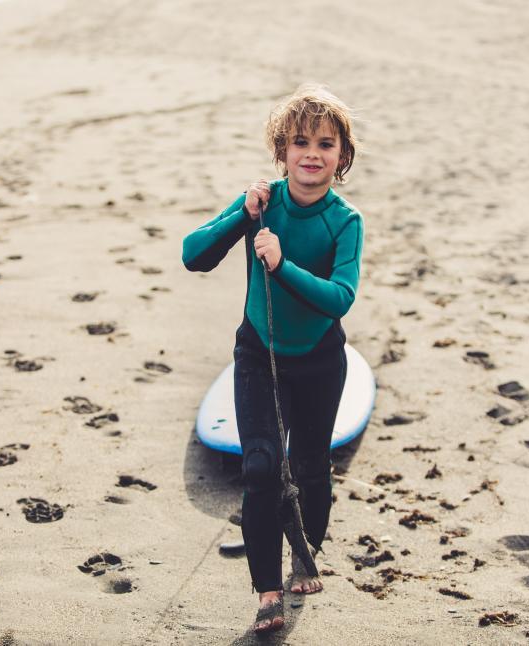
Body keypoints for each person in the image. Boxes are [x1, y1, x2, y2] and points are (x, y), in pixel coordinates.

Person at [181, 84, 364, 634]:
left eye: (325, 144)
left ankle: (304, 555)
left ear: (342, 157)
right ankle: (266, 592)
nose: (312, 152)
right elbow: (194, 255)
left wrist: (283, 266)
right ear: (281, 152)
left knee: (310, 465)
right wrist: (241, 213)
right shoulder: (261, 204)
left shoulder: (345, 222)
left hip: (318, 359)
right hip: (258, 353)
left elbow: (340, 298)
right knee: (260, 466)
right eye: (299, 142)